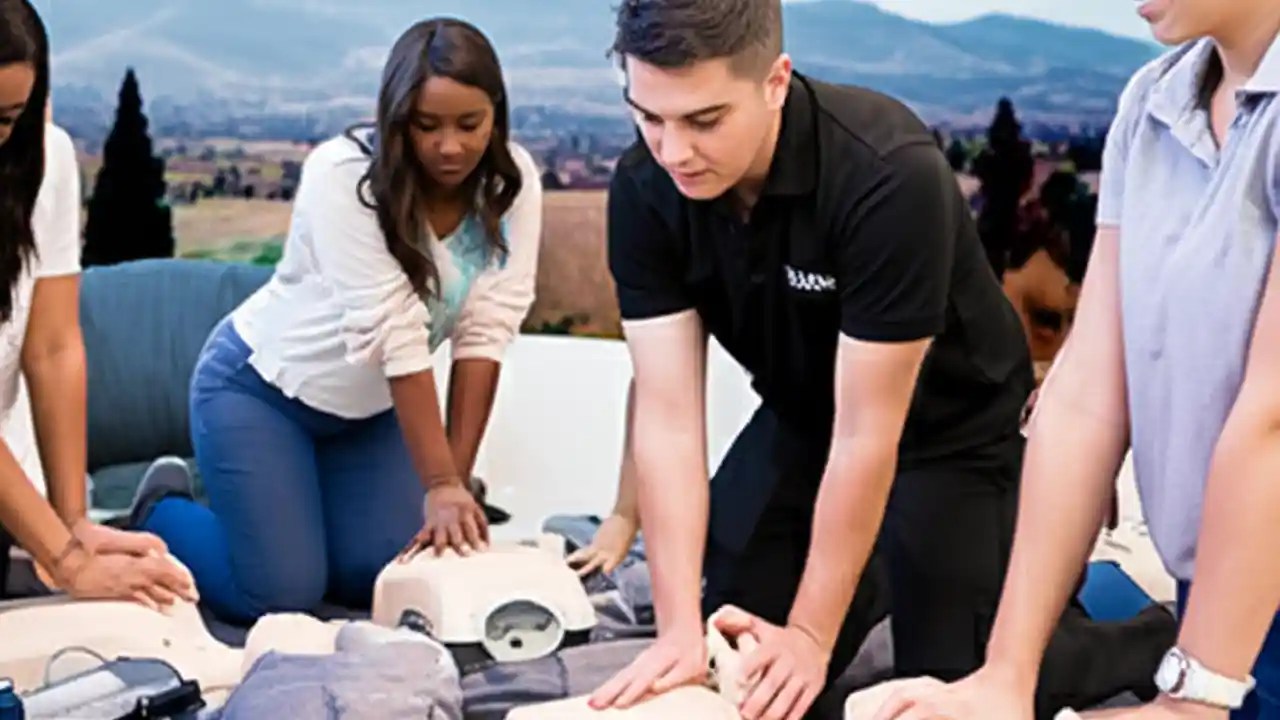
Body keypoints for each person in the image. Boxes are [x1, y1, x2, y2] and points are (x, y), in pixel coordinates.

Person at [586, 0, 1038, 716]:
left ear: (775, 82)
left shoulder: (887, 174)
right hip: (806, 416)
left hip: (954, 431)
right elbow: (669, 418)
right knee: (730, 643)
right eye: (649, 116)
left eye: (704, 120)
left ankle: (1137, 641)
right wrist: (675, 630)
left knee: (952, 687)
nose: (673, 151)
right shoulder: (646, 189)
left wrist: (809, 635)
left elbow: (869, 436)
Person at [871, 1, 1280, 719]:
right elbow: (1089, 393)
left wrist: (1194, 700)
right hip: (1215, 605)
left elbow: (1273, 420)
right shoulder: (1153, 104)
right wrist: (1006, 676)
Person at [129, 17, 543, 624]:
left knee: (385, 575)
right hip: (260, 393)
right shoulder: (344, 177)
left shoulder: (513, 185)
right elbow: (399, 337)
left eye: (469, 124)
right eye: (425, 126)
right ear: (394, 117)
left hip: (369, 415)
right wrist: (438, 486)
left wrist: (452, 483)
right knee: (277, 594)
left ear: (496, 115)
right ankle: (161, 507)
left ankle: (307, 511)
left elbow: (486, 330)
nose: (449, 145)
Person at [0, 0, 195, 607]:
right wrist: (64, 558)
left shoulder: (45, 160)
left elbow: (54, 349)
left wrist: (73, 523)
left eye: (6, 119)